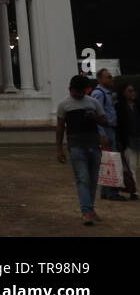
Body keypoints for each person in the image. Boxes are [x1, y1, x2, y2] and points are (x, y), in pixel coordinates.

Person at [56, 73, 108, 225]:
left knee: (92, 180)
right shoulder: (64, 105)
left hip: (93, 144)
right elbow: (60, 128)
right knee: (83, 178)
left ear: (85, 90)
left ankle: (90, 210)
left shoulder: (93, 102)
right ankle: (86, 211)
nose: (77, 94)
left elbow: (105, 121)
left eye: (80, 91)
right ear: (70, 89)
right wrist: (59, 149)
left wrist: (95, 118)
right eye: (75, 91)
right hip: (76, 146)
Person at [90, 70, 124, 201]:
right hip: (106, 130)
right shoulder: (99, 94)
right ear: (100, 79)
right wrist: (102, 134)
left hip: (110, 129)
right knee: (111, 160)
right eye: (108, 77)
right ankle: (110, 192)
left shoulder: (105, 94)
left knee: (109, 160)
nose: (112, 79)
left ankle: (108, 191)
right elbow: (96, 115)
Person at [117, 83, 139, 200]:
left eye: (133, 90)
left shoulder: (136, 106)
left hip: (136, 139)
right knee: (131, 166)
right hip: (128, 140)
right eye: (129, 91)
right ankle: (132, 190)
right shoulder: (120, 107)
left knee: (132, 166)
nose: (132, 93)